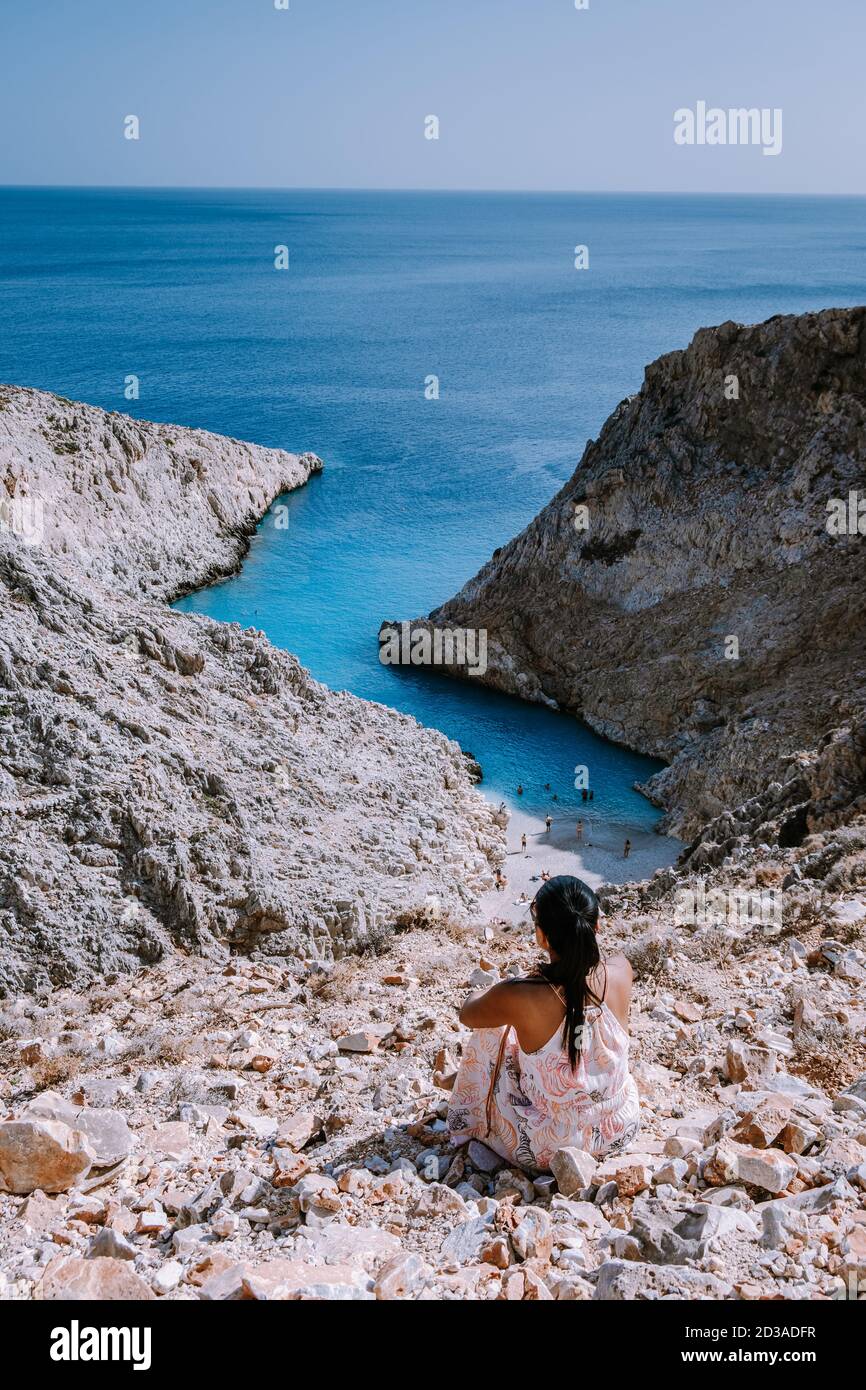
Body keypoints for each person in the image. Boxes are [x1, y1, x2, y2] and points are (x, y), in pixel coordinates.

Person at [447, 876, 639, 1171]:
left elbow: (468, 1014)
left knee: (496, 1028)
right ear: (596, 925)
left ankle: (470, 1112)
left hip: (545, 1146)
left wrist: (501, 987)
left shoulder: (522, 995)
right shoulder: (620, 969)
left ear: (542, 937)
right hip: (618, 1127)